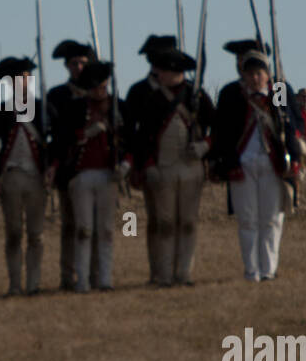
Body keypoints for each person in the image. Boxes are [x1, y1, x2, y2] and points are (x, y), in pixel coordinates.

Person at [210, 41, 303, 283]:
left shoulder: (279, 90)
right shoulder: (231, 93)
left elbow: (293, 127)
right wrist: (222, 163)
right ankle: (251, 271)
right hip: (242, 162)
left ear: (267, 74)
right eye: (250, 73)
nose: (254, 78)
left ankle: (268, 269)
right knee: (247, 219)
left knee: (272, 219)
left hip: (273, 163)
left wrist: (294, 157)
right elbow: (221, 131)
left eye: (259, 72)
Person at [129, 46, 216, 287]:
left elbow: (218, 128)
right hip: (163, 169)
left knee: (188, 222)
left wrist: (204, 147)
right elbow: (142, 137)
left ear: (175, 72)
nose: (159, 75)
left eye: (164, 71)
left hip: (191, 168)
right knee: (166, 223)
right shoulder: (152, 98)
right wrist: (148, 165)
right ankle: (164, 275)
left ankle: (184, 273)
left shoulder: (196, 96)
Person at [47, 60, 131, 293]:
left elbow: (129, 141)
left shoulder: (118, 107)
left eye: (102, 86)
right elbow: (62, 142)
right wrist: (85, 134)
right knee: (83, 230)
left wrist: (126, 164)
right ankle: (81, 280)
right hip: (81, 176)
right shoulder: (74, 109)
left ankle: (104, 279)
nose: (98, 91)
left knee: (105, 230)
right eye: (94, 87)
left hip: (109, 175)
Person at [0, 56, 46, 296]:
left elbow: (55, 141)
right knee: (13, 233)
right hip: (10, 177)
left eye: (25, 77)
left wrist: (51, 168)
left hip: (36, 177)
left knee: (36, 234)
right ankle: (14, 284)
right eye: (17, 78)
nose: (22, 81)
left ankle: (33, 284)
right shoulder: (0, 112)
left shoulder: (41, 108)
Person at [125, 34, 178, 284]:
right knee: (158, 220)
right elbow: (132, 133)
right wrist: (136, 165)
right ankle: (158, 270)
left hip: (182, 165)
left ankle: (179, 269)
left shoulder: (185, 90)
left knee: (181, 220)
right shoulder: (139, 91)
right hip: (152, 165)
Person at [45, 39, 97, 290]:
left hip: (97, 166)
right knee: (70, 226)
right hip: (68, 168)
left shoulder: (99, 93)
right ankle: (68, 276)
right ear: (67, 66)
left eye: (82, 63)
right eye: (73, 63)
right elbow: (54, 135)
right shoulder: (56, 95)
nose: (78, 67)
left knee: (95, 227)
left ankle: (96, 274)